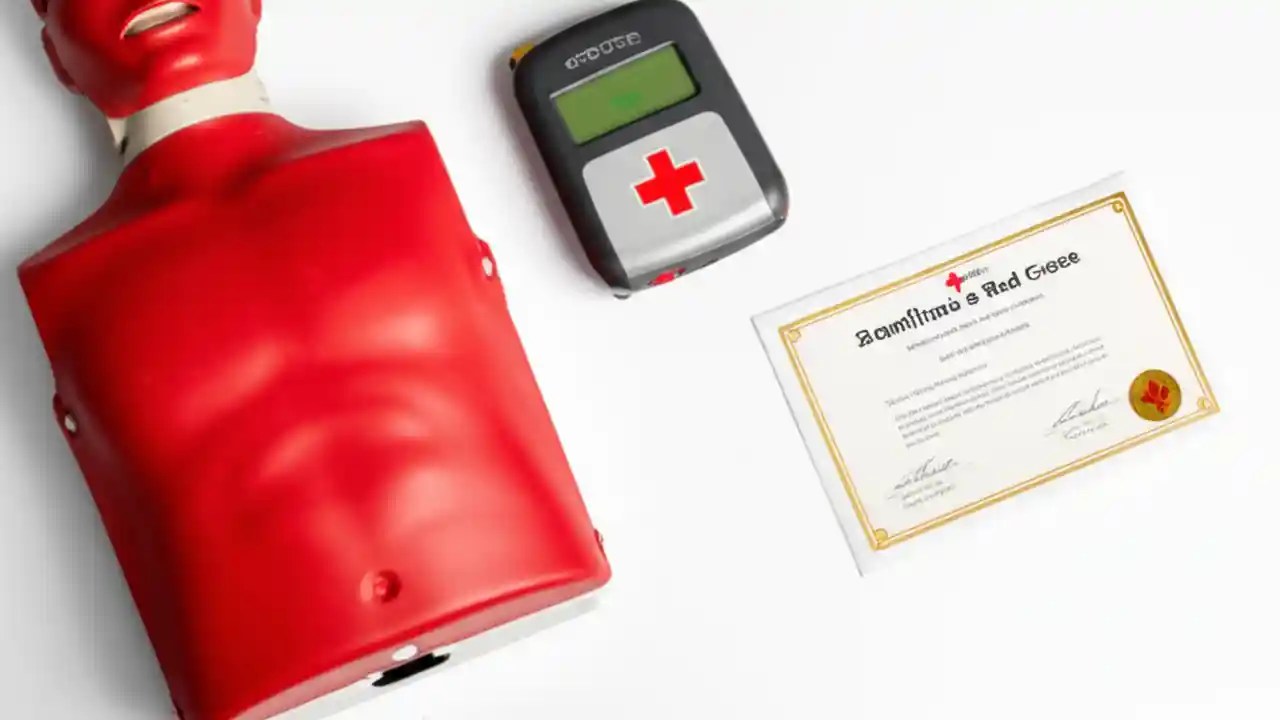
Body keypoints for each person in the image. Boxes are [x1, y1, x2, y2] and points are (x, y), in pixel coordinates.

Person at [20, 3, 611, 719]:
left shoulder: (395, 162)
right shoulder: (70, 281)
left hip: (526, 569)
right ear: (56, 58)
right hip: (253, 669)